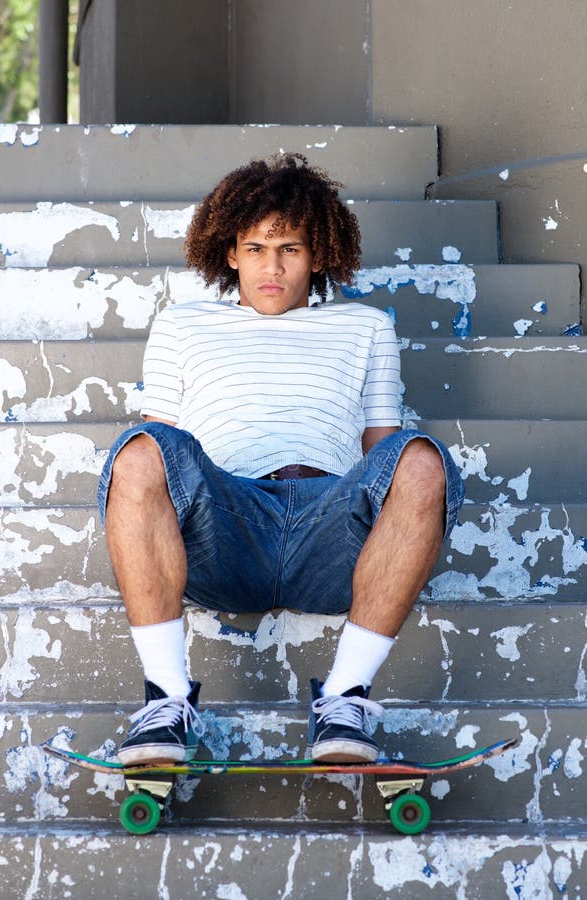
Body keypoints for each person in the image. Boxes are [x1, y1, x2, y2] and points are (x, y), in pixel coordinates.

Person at [97, 153, 464, 767]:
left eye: (290, 249)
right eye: (256, 248)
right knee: (139, 454)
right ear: (230, 253)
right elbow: (161, 459)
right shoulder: (182, 326)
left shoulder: (366, 328)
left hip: (331, 530)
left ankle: (346, 699)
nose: (272, 266)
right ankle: (166, 701)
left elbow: (384, 458)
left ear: (318, 254)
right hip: (225, 527)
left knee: (419, 459)